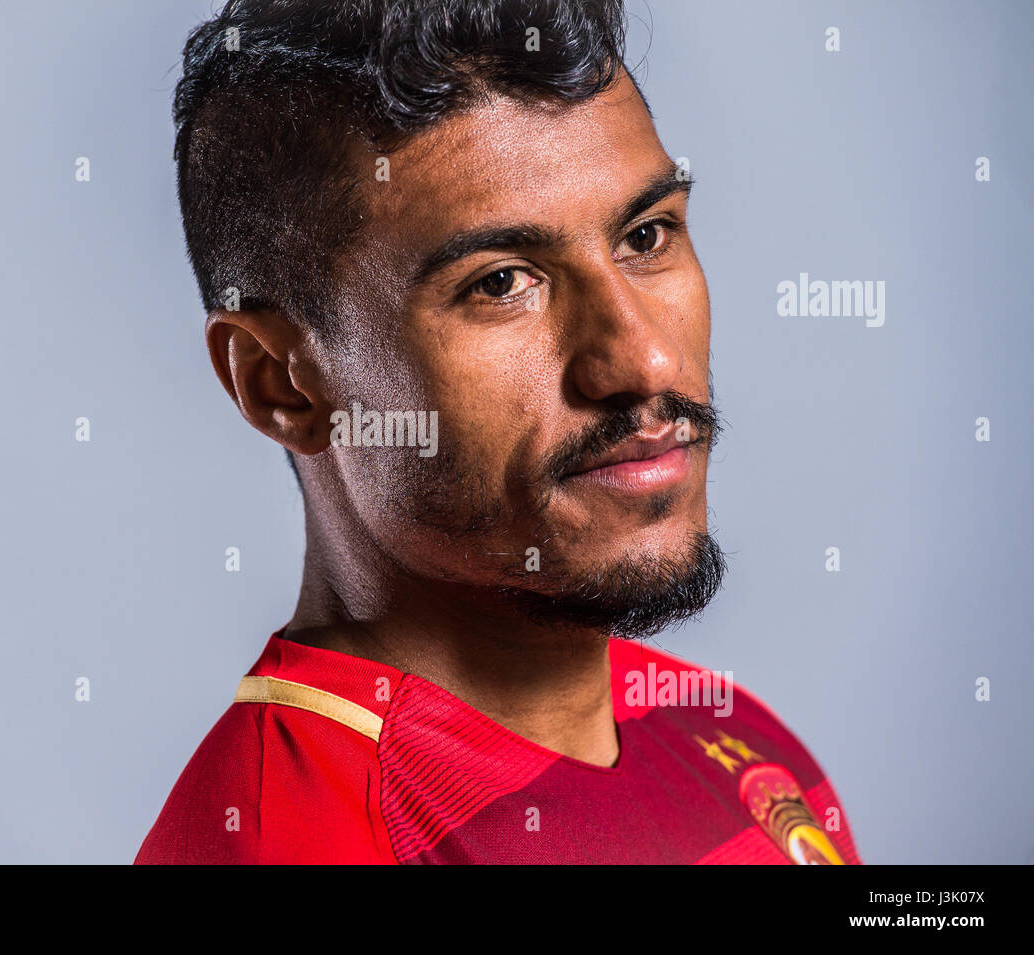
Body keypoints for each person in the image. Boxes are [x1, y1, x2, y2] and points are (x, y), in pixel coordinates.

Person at [137, 0, 862, 864]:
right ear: (280, 383)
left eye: (645, 235)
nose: (646, 360)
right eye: (502, 282)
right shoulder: (292, 839)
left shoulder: (733, 740)